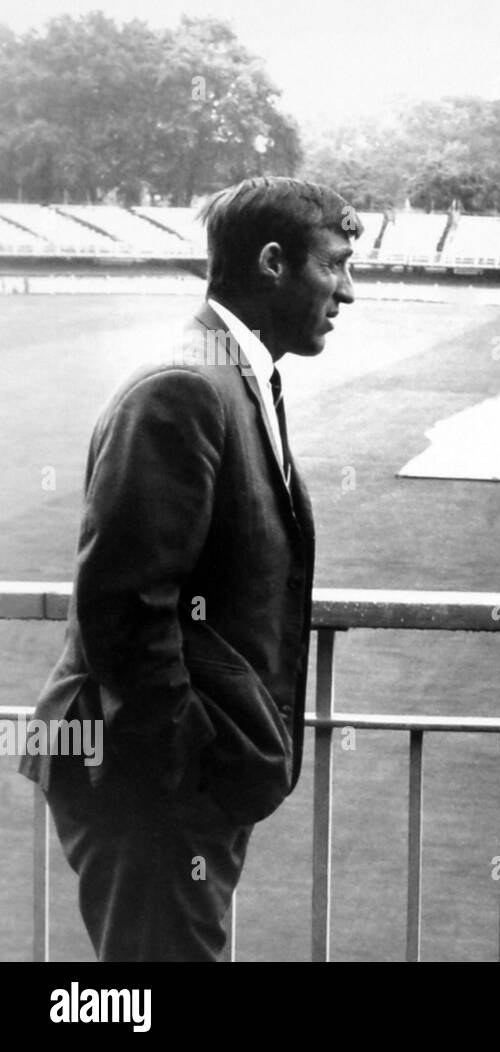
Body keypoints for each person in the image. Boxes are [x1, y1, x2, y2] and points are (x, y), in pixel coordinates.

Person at [20, 176, 361, 961]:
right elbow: (124, 610)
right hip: (150, 789)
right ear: (273, 263)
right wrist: (189, 769)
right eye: (335, 265)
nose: (349, 291)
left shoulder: (226, 375)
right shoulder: (185, 386)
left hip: (172, 788)